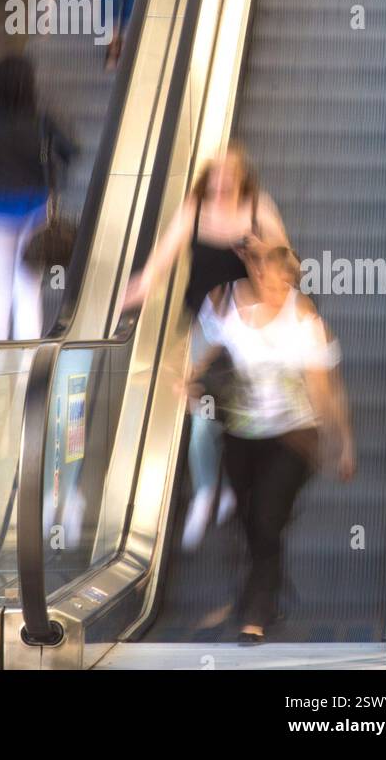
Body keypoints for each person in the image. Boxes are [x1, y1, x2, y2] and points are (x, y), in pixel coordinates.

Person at [121, 145, 288, 547]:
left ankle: (232, 487)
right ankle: (205, 493)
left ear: (241, 178)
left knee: (243, 413)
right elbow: (159, 263)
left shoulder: (256, 207)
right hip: (206, 330)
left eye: (229, 175)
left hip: (250, 329)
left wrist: (257, 251)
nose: (221, 182)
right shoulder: (193, 210)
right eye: (215, 175)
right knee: (204, 417)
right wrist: (135, 291)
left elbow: (285, 262)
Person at [194, 244, 355, 643]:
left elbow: (324, 387)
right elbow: (198, 356)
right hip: (240, 436)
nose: (273, 285)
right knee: (250, 520)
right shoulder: (227, 305)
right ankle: (266, 590)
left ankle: (256, 613)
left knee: (266, 518)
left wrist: (342, 441)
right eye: (265, 276)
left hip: (294, 437)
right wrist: (185, 382)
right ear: (253, 272)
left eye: (282, 279)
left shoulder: (302, 316)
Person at [0, 56, 76, 341]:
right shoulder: (43, 120)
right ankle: (25, 372)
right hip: (35, 216)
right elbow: (72, 150)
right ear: (31, 85)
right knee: (28, 294)